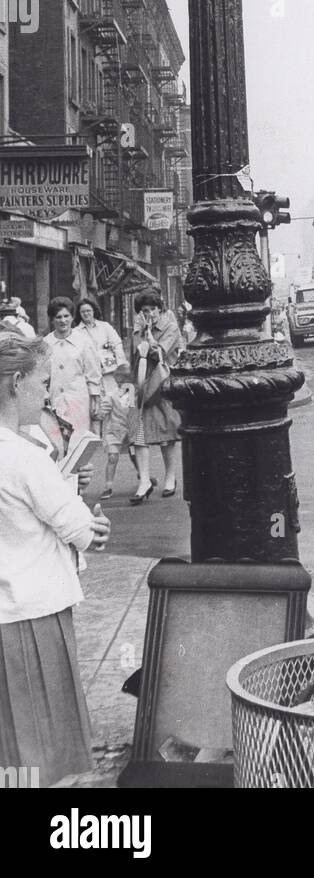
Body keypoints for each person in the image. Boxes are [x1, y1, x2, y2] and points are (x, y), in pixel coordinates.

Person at [0, 331, 111, 786]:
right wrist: (95, 520)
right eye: (42, 382)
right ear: (16, 384)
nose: (47, 393)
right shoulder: (24, 458)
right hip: (34, 612)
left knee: (11, 743)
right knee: (41, 742)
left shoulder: (26, 451)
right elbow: (85, 533)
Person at [130, 291, 182, 504]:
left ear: (160, 310)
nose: (149, 314)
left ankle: (170, 477)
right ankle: (144, 481)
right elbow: (134, 356)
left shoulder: (170, 327)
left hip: (162, 386)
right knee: (139, 435)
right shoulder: (138, 330)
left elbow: (157, 354)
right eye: (144, 311)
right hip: (142, 386)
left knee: (166, 434)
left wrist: (149, 336)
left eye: (152, 310)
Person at [43, 296, 101, 456]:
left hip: (78, 401)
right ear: (52, 319)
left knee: (77, 445)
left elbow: (93, 372)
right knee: (56, 446)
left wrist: (95, 398)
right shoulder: (45, 344)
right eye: (58, 317)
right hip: (55, 402)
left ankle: (77, 481)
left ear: (72, 317)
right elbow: (41, 377)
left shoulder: (83, 342)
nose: (63, 321)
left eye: (66, 316)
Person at [73, 297, 129, 440]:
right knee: (95, 405)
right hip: (90, 374)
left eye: (88, 311)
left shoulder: (105, 327)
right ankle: (96, 437)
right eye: (83, 312)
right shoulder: (76, 332)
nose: (86, 314)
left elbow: (116, 343)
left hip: (108, 372)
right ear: (79, 314)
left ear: (94, 311)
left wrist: (119, 362)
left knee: (113, 401)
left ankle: (114, 435)